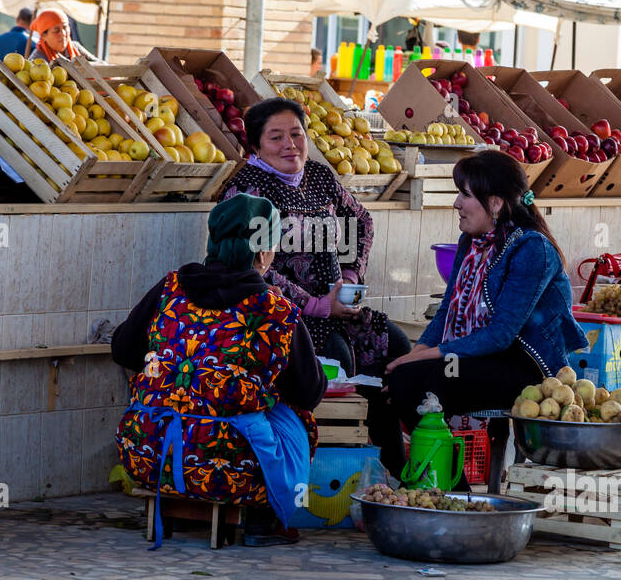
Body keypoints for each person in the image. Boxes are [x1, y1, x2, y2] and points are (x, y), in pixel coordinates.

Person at [111, 195, 326, 546]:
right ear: (261, 254)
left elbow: (122, 349)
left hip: (146, 453)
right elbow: (307, 392)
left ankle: (176, 507)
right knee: (295, 419)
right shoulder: (275, 308)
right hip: (229, 471)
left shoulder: (170, 289)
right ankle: (262, 519)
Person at [220, 97, 412, 471]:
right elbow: (253, 265)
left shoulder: (320, 176)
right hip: (288, 316)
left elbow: (360, 220)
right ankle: (323, 476)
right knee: (334, 362)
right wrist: (318, 305)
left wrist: (351, 277)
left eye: (296, 134)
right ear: (256, 145)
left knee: (395, 348)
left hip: (338, 306)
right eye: (276, 137)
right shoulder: (248, 191)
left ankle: (390, 468)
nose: (289, 144)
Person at [385, 150, 587, 478]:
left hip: (526, 366)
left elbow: (501, 334)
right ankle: (444, 487)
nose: (456, 204)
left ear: (495, 203)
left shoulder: (531, 249)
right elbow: (446, 312)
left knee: (435, 379)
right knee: (399, 378)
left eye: (465, 195)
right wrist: (416, 353)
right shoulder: (472, 242)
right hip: (482, 359)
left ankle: (447, 489)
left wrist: (428, 358)